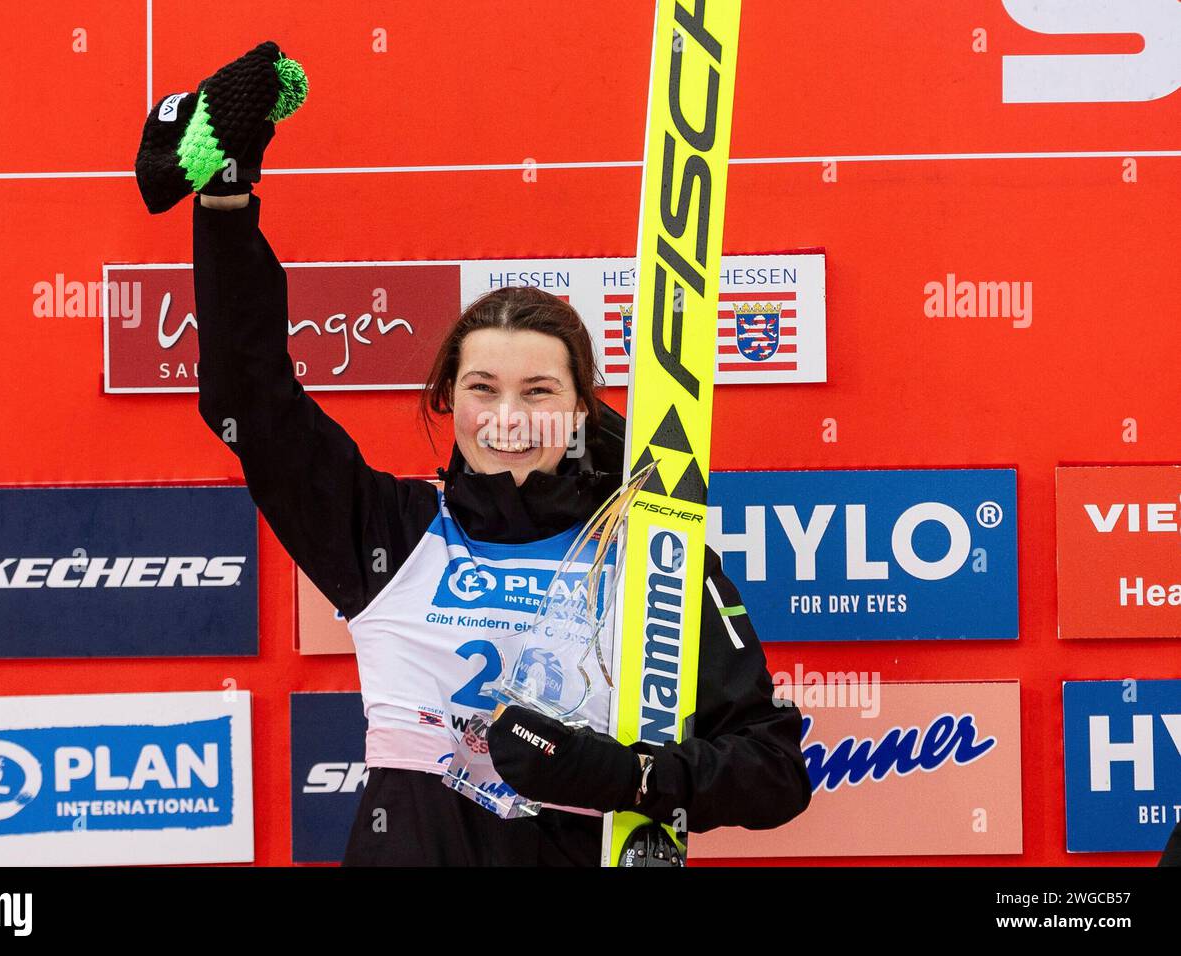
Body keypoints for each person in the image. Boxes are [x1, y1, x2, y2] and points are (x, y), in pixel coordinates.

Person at [140, 42, 811, 866]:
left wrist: (627, 776)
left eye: (538, 392)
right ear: (446, 401)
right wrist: (226, 203)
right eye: (482, 389)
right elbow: (250, 399)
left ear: (578, 410)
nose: (507, 417)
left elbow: (776, 771)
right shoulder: (385, 533)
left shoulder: (652, 555)